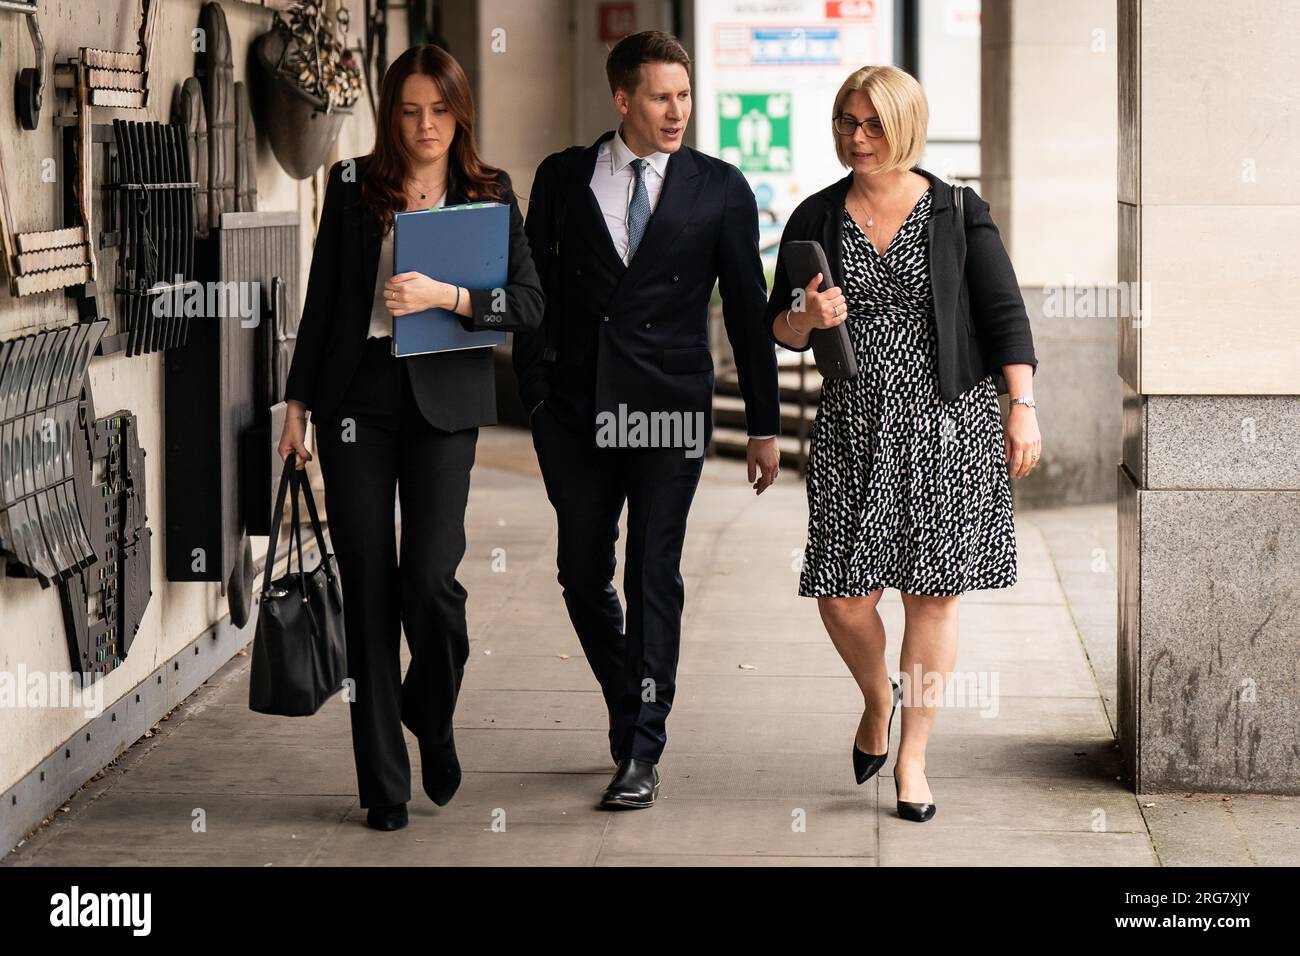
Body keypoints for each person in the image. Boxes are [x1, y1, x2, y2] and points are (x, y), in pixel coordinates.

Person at [278, 44, 544, 832]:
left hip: (444, 401)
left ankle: (431, 710)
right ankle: (384, 784)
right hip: (356, 396)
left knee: (429, 577)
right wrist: (296, 405)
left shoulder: (488, 193)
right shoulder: (353, 185)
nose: (426, 125)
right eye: (409, 109)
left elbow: (527, 307)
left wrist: (449, 295)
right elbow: (325, 301)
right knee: (366, 585)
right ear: (391, 113)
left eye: (440, 109)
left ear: (461, 111)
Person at [513, 30, 782, 809]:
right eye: (661, 96)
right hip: (575, 410)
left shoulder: (721, 187)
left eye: (686, 96)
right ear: (623, 98)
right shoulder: (563, 177)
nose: (677, 112)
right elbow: (534, 294)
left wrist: (762, 424)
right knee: (582, 572)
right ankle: (629, 702)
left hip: (669, 410)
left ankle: (642, 745)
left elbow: (745, 312)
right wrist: (534, 395)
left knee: (652, 568)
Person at [767, 65, 1042, 823]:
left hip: (951, 423)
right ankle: (875, 697)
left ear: (905, 126)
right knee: (842, 598)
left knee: (933, 597)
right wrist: (809, 318)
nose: (855, 138)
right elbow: (780, 328)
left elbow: (1004, 314)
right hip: (855, 427)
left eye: (871, 125)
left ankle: (913, 759)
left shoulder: (956, 210)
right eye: (845, 123)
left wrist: (1022, 405)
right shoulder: (815, 218)